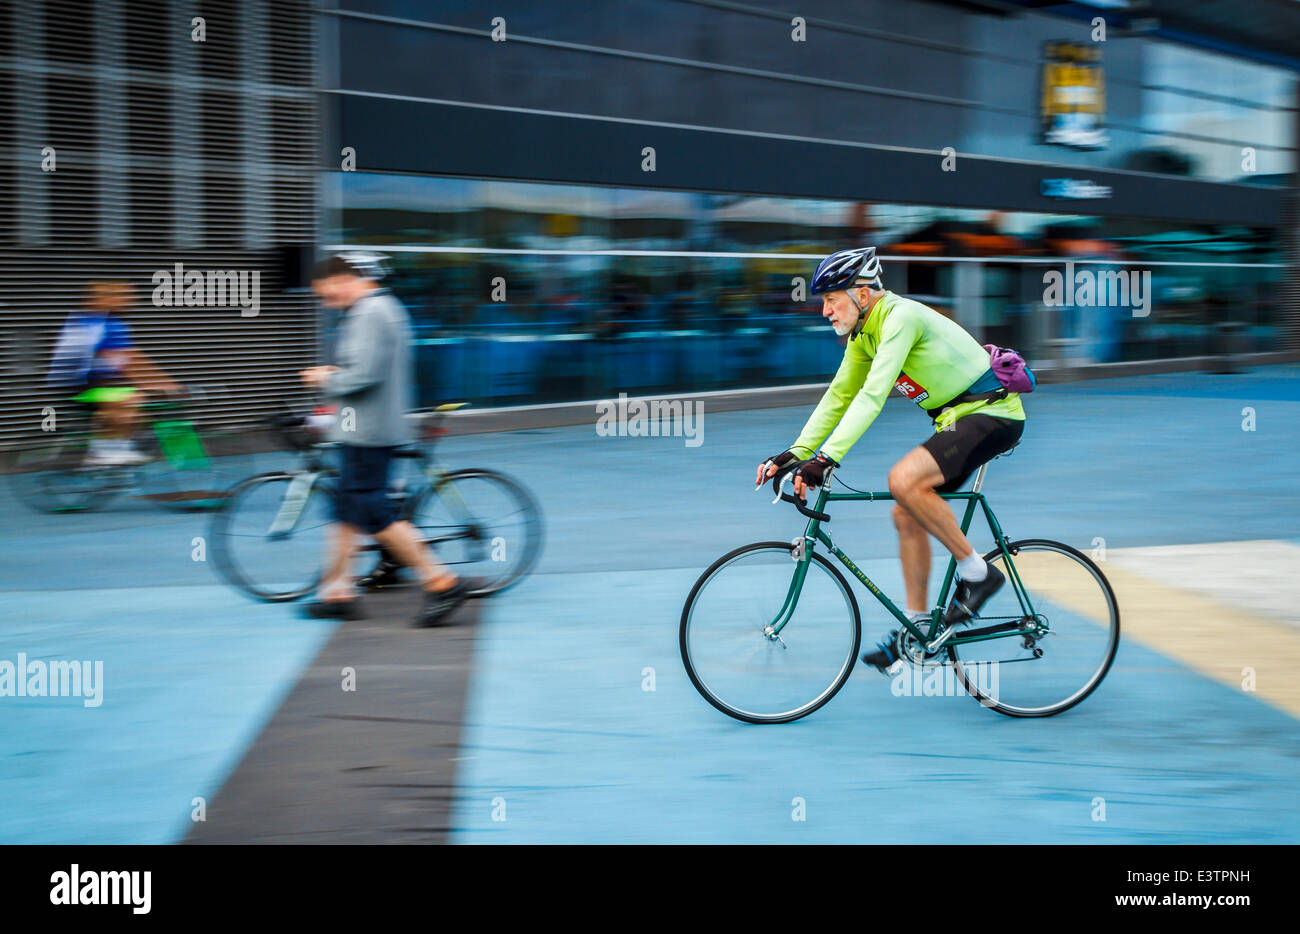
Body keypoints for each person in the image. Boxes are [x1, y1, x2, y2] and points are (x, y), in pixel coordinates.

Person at [756, 247, 1027, 672]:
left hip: (992, 414)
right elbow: (840, 395)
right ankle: (919, 629)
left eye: (831, 299)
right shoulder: (865, 334)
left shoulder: (900, 318)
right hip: (956, 422)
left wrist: (827, 459)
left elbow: (872, 394)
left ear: (862, 295)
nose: (825, 310)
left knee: (903, 479)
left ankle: (979, 574)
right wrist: (797, 452)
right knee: (906, 515)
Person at [301, 252, 471, 627]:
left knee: (375, 514)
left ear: (343, 279)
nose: (324, 301)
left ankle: (442, 582)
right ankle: (338, 591)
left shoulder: (370, 312)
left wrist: (324, 378)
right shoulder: (382, 308)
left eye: (325, 292)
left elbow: (364, 374)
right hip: (364, 429)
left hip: (368, 432)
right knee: (345, 511)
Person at [46, 280, 179, 465]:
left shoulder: (110, 321)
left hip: (97, 381)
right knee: (128, 400)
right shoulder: (94, 323)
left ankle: (111, 445)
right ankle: (104, 452)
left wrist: (166, 382)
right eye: (122, 295)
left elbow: (134, 356)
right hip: (74, 384)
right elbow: (123, 361)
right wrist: (160, 384)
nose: (130, 299)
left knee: (141, 409)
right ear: (104, 298)